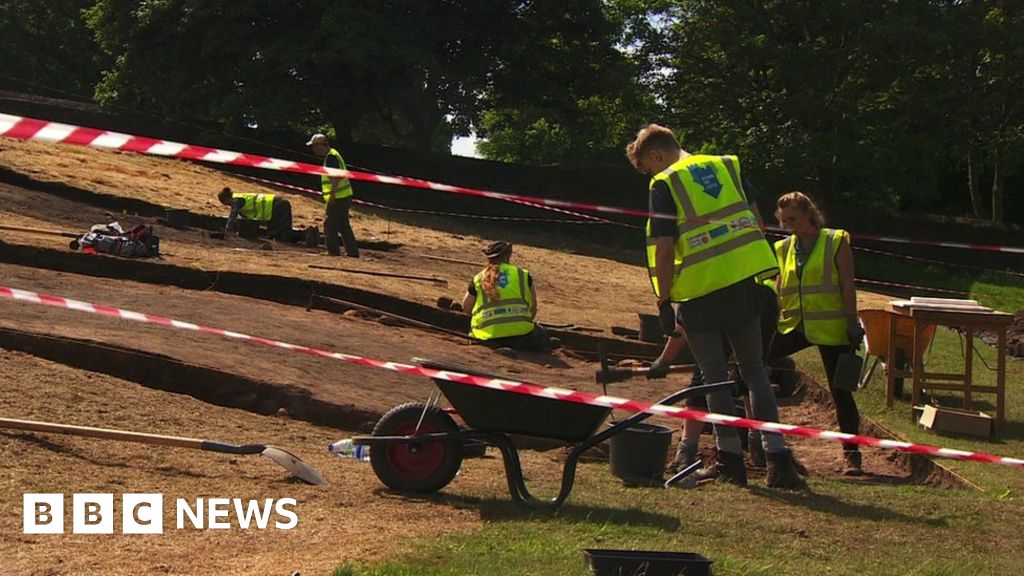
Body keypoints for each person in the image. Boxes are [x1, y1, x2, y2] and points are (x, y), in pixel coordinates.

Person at [626, 123, 802, 489]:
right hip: (744, 284)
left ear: (656, 155)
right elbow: (756, 221)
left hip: (702, 291)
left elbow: (663, 245)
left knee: (714, 377)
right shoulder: (725, 165)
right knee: (754, 370)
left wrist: (663, 297)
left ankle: (730, 460)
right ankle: (778, 458)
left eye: (647, 166)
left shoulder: (665, 183)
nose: (650, 173)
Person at [770, 191, 866, 475]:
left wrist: (851, 323)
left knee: (841, 394)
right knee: (751, 363)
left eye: (793, 219)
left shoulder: (836, 241)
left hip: (831, 327)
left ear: (809, 215)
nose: (788, 225)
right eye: (784, 220)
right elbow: (779, 287)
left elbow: (848, 286)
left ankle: (852, 456)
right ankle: (763, 443)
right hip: (794, 324)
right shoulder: (783, 248)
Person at [461, 241, 553, 353]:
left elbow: (466, 308)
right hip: (521, 337)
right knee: (541, 334)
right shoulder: (522, 275)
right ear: (508, 255)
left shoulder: (478, 278)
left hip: (487, 337)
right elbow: (532, 310)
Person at [306, 133, 359, 257]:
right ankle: (352, 253)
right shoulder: (333, 154)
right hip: (344, 195)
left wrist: (332, 195)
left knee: (329, 224)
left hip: (339, 197)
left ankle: (333, 252)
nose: (313, 149)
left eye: (314, 146)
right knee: (343, 225)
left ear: (320, 145)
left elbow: (336, 177)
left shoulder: (331, 157)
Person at [217, 187, 317, 246]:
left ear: (226, 200)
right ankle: (308, 234)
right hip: (279, 205)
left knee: (277, 235)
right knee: (282, 233)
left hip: (276, 207)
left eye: (226, 204)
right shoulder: (242, 197)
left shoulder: (236, 200)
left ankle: (306, 234)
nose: (228, 206)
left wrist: (227, 232)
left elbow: (232, 217)